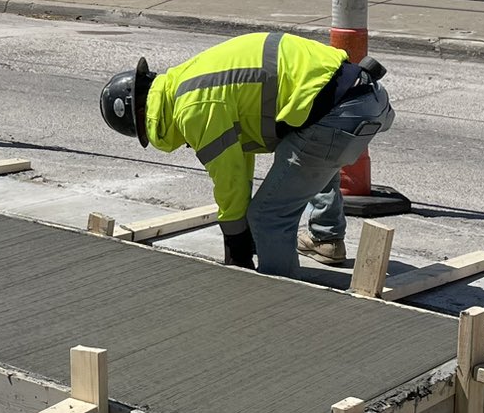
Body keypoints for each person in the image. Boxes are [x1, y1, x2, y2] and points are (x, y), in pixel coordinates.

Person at [98, 31, 393, 277]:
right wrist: (239, 229)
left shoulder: (191, 109)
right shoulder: (186, 82)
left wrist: (236, 238)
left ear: (141, 120)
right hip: (362, 94)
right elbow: (243, 154)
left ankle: (281, 299)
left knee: (267, 216)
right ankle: (326, 237)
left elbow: (232, 177)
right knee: (304, 158)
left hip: (338, 115)